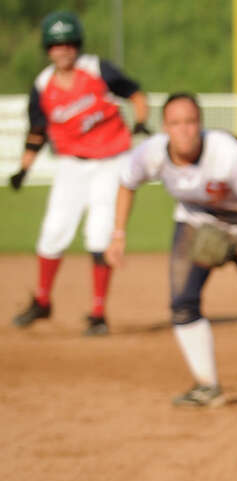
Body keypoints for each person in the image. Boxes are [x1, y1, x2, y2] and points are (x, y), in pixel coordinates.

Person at [105, 92, 237, 407]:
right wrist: (117, 235)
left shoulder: (228, 155)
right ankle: (206, 385)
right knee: (183, 303)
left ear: (200, 124)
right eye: (175, 123)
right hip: (195, 222)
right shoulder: (152, 153)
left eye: (190, 122)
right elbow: (126, 183)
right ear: (164, 128)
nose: (183, 129)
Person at [10, 10, 150, 337]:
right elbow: (37, 131)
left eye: (70, 43)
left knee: (100, 233)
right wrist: (24, 169)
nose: (64, 50)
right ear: (47, 49)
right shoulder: (42, 85)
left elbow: (135, 94)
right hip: (71, 165)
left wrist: (140, 120)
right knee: (53, 232)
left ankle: (98, 312)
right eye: (56, 45)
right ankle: (42, 300)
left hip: (111, 161)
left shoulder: (98, 70)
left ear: (78, 45)